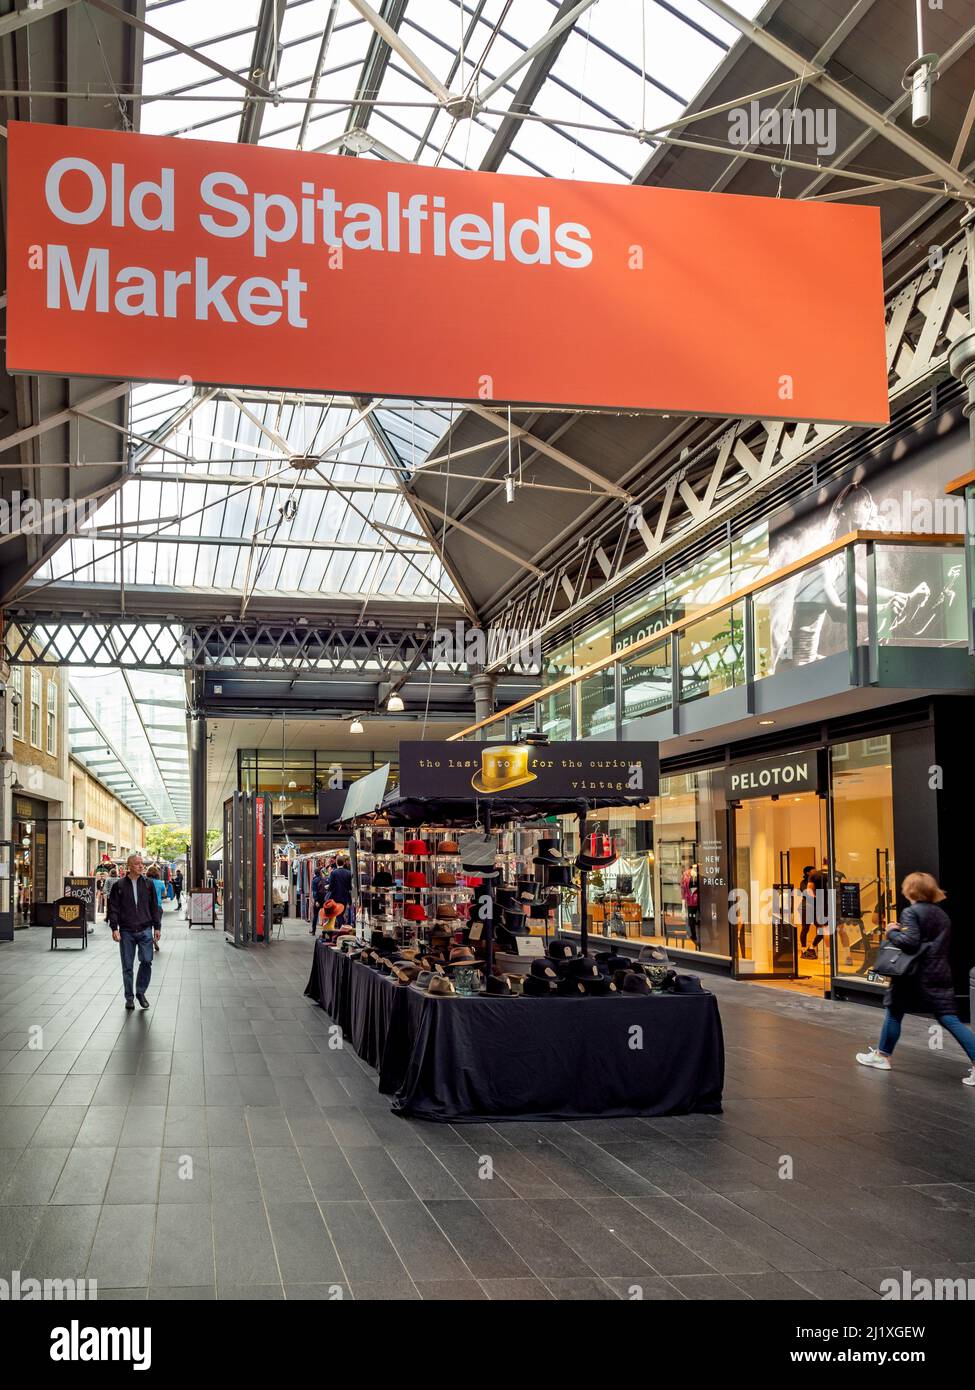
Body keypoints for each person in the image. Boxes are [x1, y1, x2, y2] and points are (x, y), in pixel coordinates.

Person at [857, 872, 975, 1085]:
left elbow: (910, 942)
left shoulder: (911, 913)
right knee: (948, 1017)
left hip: (914, 974)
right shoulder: (941, 915)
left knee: (894, 1012)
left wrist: (891, 932)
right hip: (939, 972)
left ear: (910, 890)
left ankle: (882, 1056)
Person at [107, 853, 161, 1010]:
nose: (141, 866)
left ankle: (140, 992)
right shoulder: (119, 886)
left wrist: (157, 927)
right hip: (126, 931)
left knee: (146, 961)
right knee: (128, 966)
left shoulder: (148, 884)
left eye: (142, 863)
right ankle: (129, 998)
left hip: (145, 929)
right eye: (137, 863)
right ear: (129, 866)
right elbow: (113, 909)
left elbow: (154, 908)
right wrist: (114, 928)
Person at [326, 854, 353, 927]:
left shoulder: (333, 873)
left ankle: (341, 927)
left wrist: (327, 888)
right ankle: (341, 927)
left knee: (338, 914)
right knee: (341, 913)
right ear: (344, 863)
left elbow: (331, 886)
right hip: (345, 897)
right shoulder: (349, 873)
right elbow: (350, 887)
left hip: (336, 897)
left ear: (337, 863)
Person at [310, 863, 327, 934]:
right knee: (326, 915)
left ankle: (313, 930)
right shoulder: (324, 879)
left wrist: (316, 900)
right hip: (324, 899)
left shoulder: (314, 881)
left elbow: (314, 891)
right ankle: (326, 931)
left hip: (318, 900)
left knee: (316, 915)